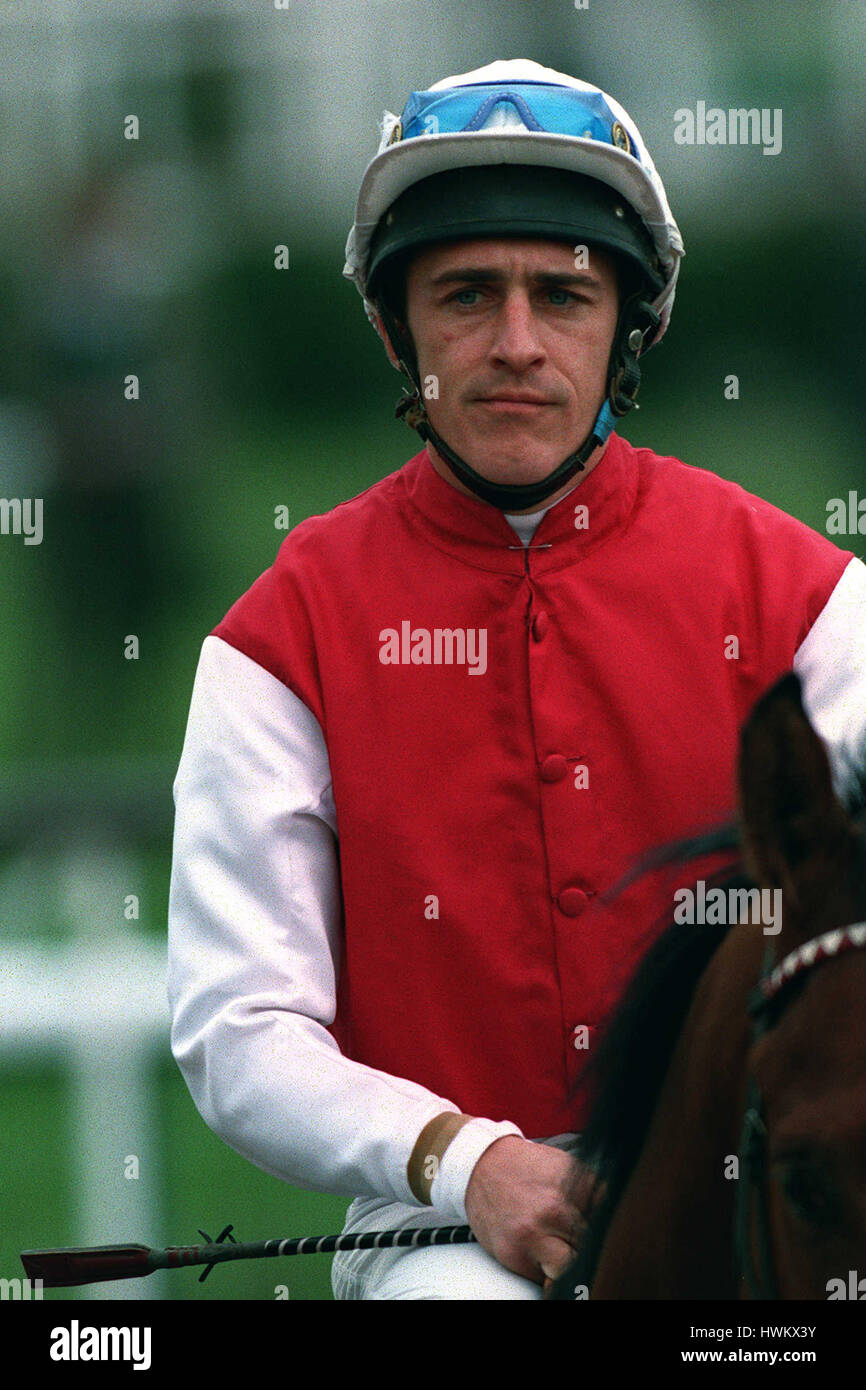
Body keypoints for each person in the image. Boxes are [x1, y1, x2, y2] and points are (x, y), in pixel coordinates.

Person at [167, 59, 866, 1300]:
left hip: (771, 1204)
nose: (515, 345)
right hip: (443, 1234)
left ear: (630, 327)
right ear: (396, 327)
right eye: (464, 296)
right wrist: (460, 1157)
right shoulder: (280, 633)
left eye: (563, 295)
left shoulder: (807, 597)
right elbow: (238, 1029)